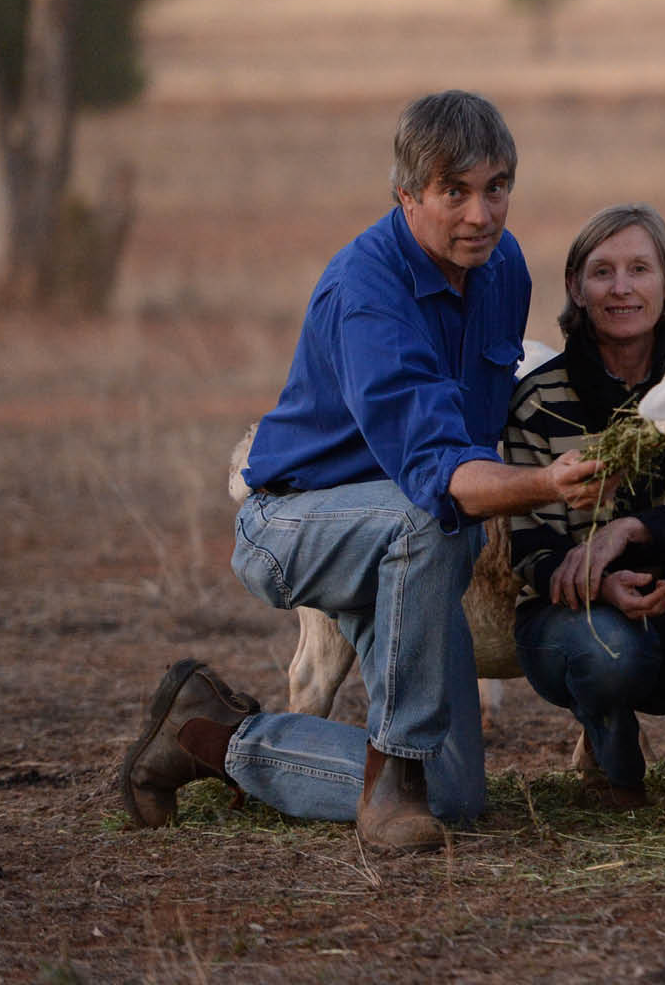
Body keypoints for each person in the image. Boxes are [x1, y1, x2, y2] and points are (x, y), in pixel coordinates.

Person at [118, 90, 605, 852]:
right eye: (455, 192)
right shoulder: (366, 294)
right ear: (406, 193)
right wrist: (546, 485)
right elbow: (438, 475)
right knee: (430, 514)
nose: (481, 214)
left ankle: (209, 737)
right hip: (295, 522)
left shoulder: (503, 268)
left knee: (457, 798)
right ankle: (393, 785)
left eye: (497, 187)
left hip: (408, 547)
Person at [501, 203, 665, 822]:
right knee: (608, 654)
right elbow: (526, 541)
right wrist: (598, 580)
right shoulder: (539, 400)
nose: (622, 288)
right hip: (579, 616)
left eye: (640, 269)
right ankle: (612, 750)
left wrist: (629, 529)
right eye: (603, 272)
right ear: (576, 287)